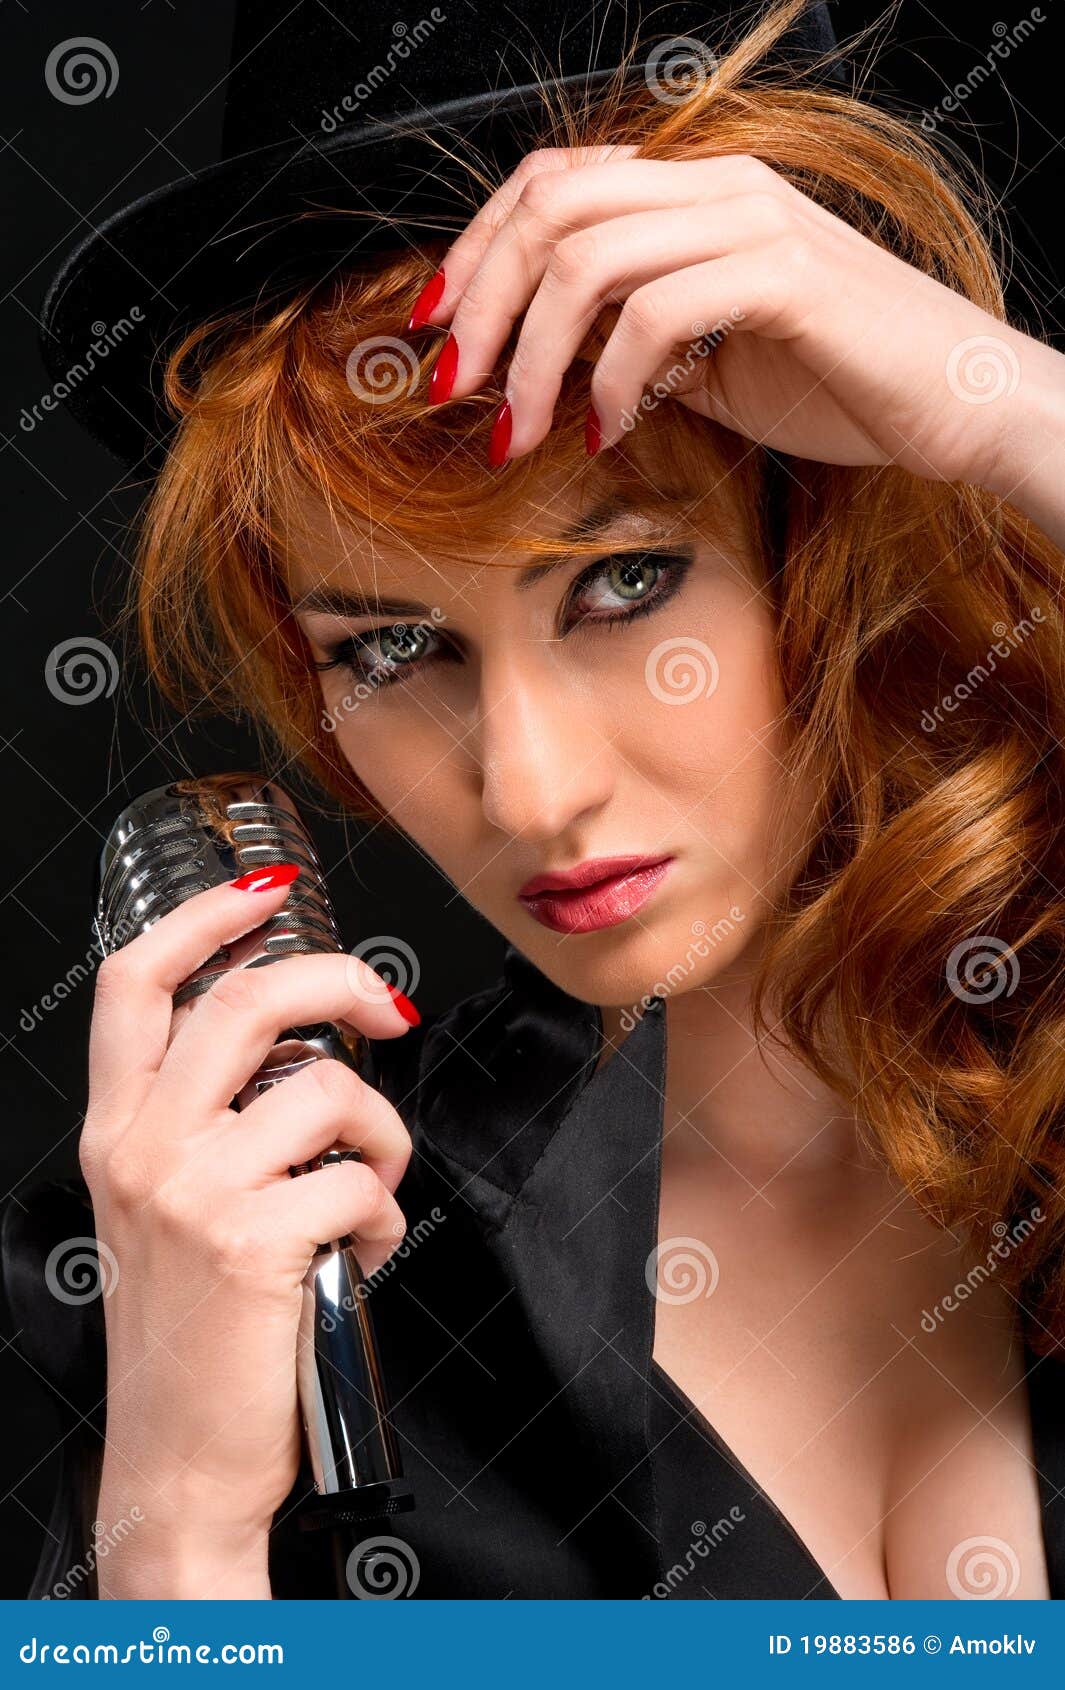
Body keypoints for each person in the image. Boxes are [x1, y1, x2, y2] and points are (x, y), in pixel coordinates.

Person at [7, 0, 1065, 1601]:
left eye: (624, 580)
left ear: (822, 540)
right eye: (390, 647)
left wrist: (1011, 413)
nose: (535, 785)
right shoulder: (238, 1282)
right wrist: (177, 1525)